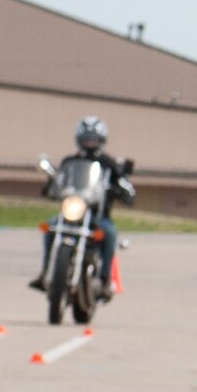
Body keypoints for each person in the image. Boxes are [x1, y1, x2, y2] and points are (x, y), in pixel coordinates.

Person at [29, 116, 136, 292]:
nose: (89, 143)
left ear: (101, 140)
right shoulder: (69, 162)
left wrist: (121, 190)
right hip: (72, 211)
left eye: (93, 139)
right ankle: (46, 272)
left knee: (109, 233)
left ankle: (105, 278)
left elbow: (125, 187)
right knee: (50, 228)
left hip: (98, 215)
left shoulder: (109, 165)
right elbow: (59, 181)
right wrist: (51, 186)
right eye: (86, 139)